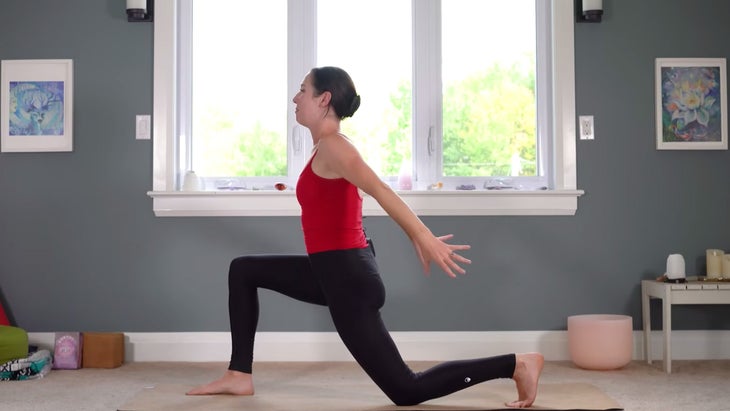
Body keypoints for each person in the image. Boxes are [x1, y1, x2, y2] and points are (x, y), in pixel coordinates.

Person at [186, 66, 544, 408]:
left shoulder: (335, 147)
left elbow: (381, 189)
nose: (295, 99)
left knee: (406, 389)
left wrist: (423, 236)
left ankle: (515, 364)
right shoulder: (323, 147)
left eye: (302, 90)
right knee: (244, 270)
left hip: (347, 279)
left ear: (324, 98)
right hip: (332, 271)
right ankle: (238, 374)